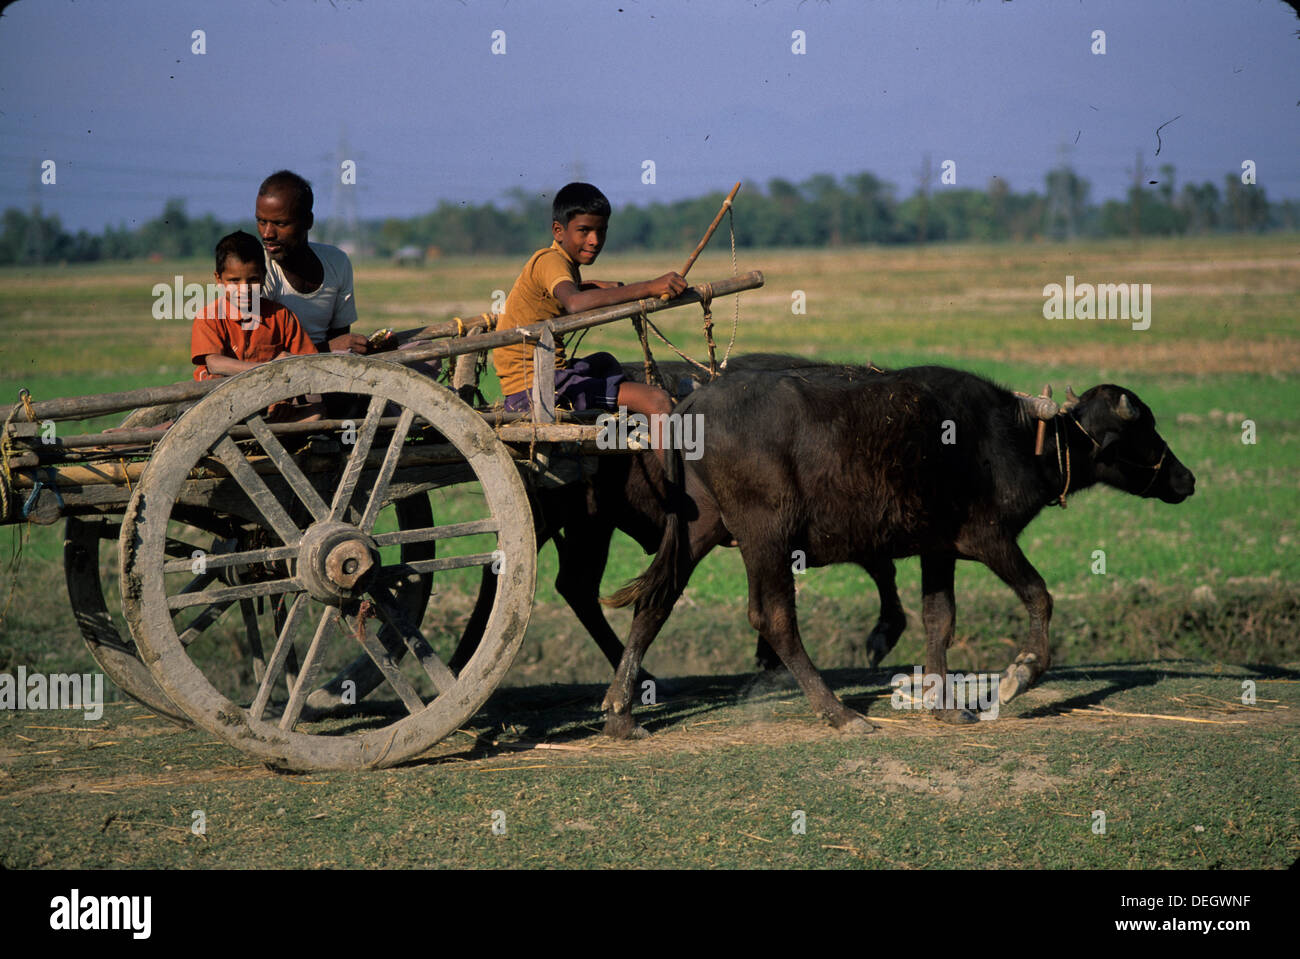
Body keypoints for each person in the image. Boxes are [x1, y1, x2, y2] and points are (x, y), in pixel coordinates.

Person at [492, 182, 684, 434]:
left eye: (601, 231)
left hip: (540, 380)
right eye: (584, 231)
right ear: (558, 231)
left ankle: (619, 419)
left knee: (604, 361)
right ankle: (672, 473)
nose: (594, 241)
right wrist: (648, 286)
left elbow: (573, 290)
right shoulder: (550, 261)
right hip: (535, 391)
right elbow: (574, 302)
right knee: (657, 401)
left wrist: (599, 286)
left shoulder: (560, 262)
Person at [191, 230, 322, 419]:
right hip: (221, 407)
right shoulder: (209, 316)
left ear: (264, 276)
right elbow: (215, 363)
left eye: (252, 280)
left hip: (271, 404)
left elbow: (308, 363)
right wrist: (271, 368)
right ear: (218, 279)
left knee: (316, 412)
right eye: (234, 281)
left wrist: (283, 397)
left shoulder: (281, 315)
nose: (244, 289)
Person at [255, 170, 385, 355]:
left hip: (325, 367)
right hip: (277, 374)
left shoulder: (337, 262)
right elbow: (258, 356)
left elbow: (340, 340)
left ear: (308, 221)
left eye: (280, 224)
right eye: (261, 222)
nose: (267, 234)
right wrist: (327, 349)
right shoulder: (257, 270)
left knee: (422, 356)